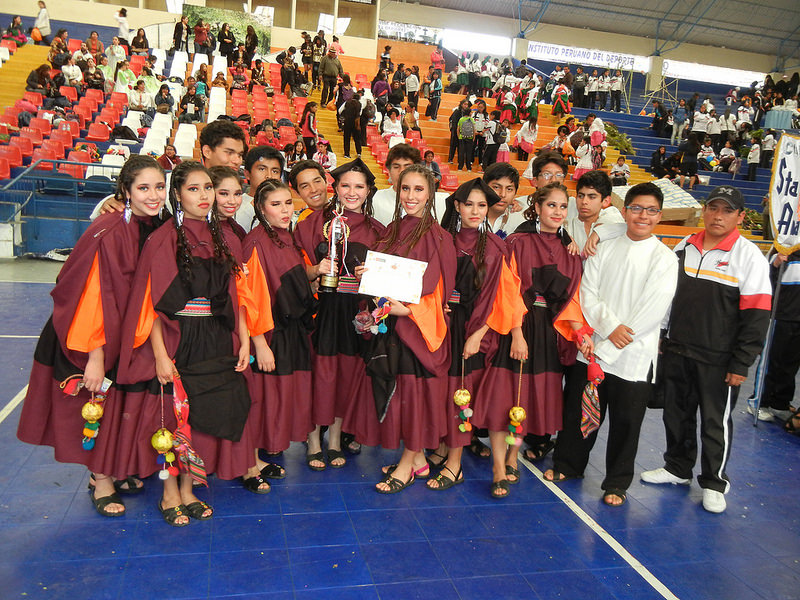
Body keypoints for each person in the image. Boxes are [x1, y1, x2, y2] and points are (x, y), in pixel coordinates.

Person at [17, 156, 166, 517]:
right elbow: (89, 295)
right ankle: (100, 479)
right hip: (90, 337)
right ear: (125, 191)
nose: (153, 195)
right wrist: (95, 356)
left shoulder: (155, 228)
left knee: (118, 409)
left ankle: (111, 469)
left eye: (159, 187)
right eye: (143, 188)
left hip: (126, 335)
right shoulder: (109, 230)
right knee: (93, 409)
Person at [117, 161, 258, 524]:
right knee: (171, 420)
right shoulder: (162, 239)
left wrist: (244, 340)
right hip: (178, 341)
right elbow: (151, 305)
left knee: (204, 418)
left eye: (208, 187)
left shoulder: (227, 238)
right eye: (194, 189)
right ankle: (169, 494)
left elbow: (237, 297)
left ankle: (190, 489)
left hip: (216, 339)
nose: (204, 196)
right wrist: (161, 357)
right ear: (177, 194)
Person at [545, 182, 679, 507]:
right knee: (580, 412)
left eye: (650, 210)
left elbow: (654, 307)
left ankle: (616, 483)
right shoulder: (605, 245)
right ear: (624, 211)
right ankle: (568, 465)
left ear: (659, 216)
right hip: (592, 344)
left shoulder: (664, 259)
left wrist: (620, 332)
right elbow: (588, 291)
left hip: (632, 355)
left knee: (626, 422)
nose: (642, 215)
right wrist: (607, 327)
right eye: (636, 208)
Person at [641, 186, 771, 514]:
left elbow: (757, 316)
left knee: (715, 422)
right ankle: (677, 468)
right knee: (676, 414)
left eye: (727, 211)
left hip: (720, 360)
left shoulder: (749, 256)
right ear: (704, 210)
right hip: (678, 350)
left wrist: (742, 363)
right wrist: (662, 335)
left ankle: (714, 482)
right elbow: (668, 296)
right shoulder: (686, 246)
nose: (718, 215)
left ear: (740, 216)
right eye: (713, 208)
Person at [343, 165, 456, 493]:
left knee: (415, 398)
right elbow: (384, 281)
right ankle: (417, 458)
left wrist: (404, 309)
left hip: (417, 330)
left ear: (430, 193)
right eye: (405, 189)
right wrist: (369, 273)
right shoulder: (391, 230)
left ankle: (406, 464)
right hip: (391, 327)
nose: (410, 196)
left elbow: (438, 291)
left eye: (419, 190)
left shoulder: (439, 237)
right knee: (402, 399)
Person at [428, 178, 526, 496]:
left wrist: (478, 334)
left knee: (465, 396)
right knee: (448, 393)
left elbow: (502, 298)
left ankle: (455, 464)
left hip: (477, 332)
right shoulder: (442, 240)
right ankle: (446, 450)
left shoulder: (497, 247)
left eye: (481, 205)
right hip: (445, 326)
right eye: (468, 203)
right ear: (456, 206)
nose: (474, 210)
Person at [295, 158, 384, 470]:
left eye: (359, 186)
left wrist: (373, 274)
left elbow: (385, 284)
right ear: (335, 187)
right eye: (345, 185)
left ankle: (334, 439)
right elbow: (295, 271)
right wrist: (315, 272)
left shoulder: (378, 231)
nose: (352, 191)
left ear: (369, 191)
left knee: (345, 376)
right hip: (321, 310)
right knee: (318, 376)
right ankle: (312, 440)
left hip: (353, 312)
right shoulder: (310, 224)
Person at [242, 179, 316, 474]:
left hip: (291, 332)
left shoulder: (286, 237)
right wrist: (260, 344)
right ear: (261, 209)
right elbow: (250, 300)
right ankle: (250, 463)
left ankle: (264, 451)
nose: (285, 210)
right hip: (271, 334)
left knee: (279, 397)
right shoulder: (257, 243)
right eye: (276, 205)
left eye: (288, 203)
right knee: (263, 399)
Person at [341, 92, 362, 159]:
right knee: (357, 139)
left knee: (346, 138)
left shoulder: (347, 102)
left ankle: (346, 153)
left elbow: (340, 110)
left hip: (347, 122)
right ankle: (359, 153)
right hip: (355, 123)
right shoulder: (359, 104)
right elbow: (360, 114)